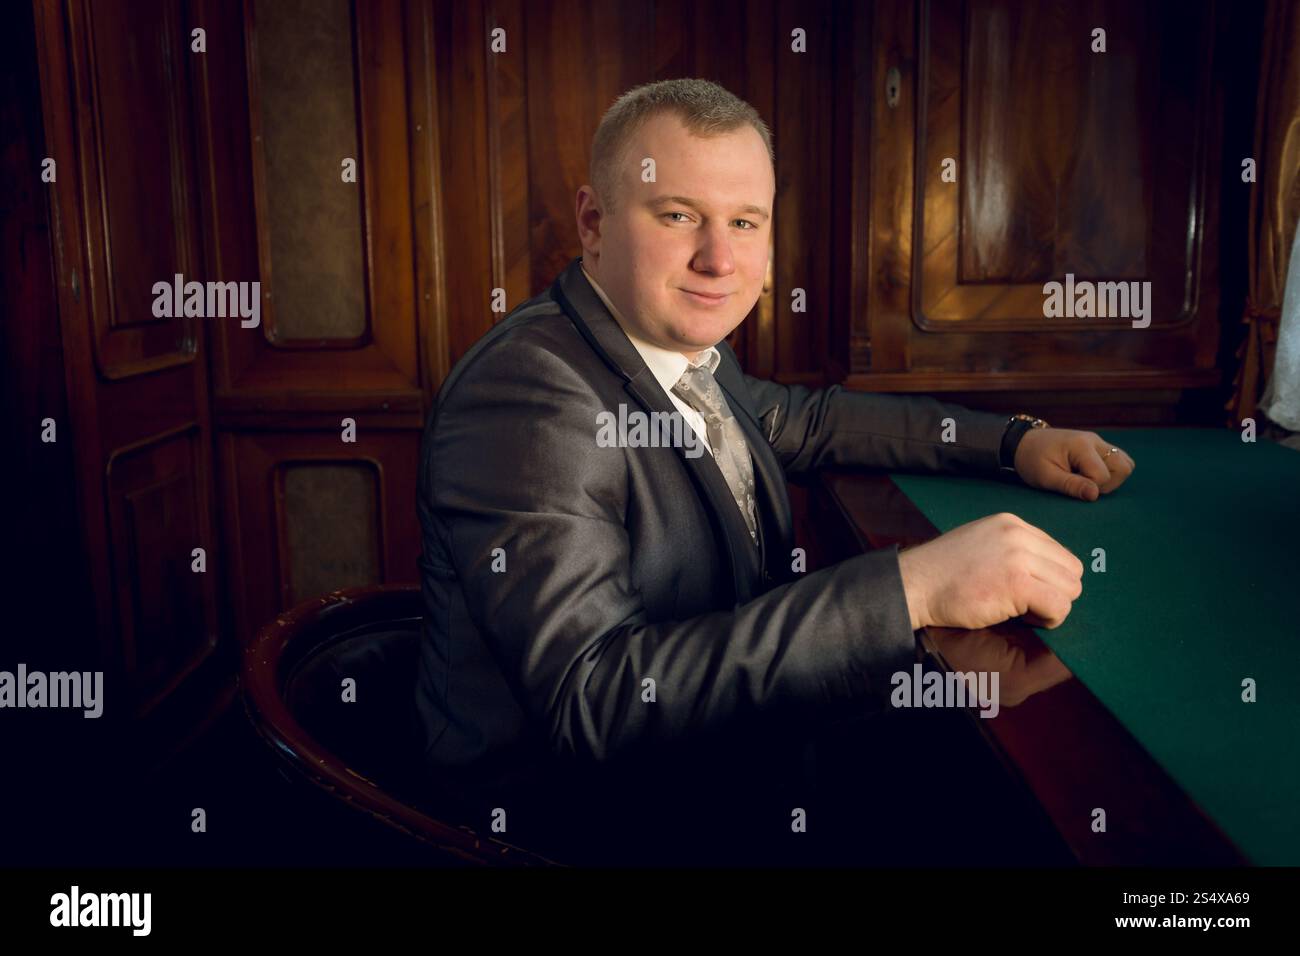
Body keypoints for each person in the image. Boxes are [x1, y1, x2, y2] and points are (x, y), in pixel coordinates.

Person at [413, 78, 1134, 862]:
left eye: (744, 222)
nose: (719, 259)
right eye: (679, 215)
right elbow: (598, 705)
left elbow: (810, 420)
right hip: (589, 829)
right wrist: (913, 587)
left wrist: (1012, 442)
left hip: (717, 758)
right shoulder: (530, 392)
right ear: (593, 222)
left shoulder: (672, 351)